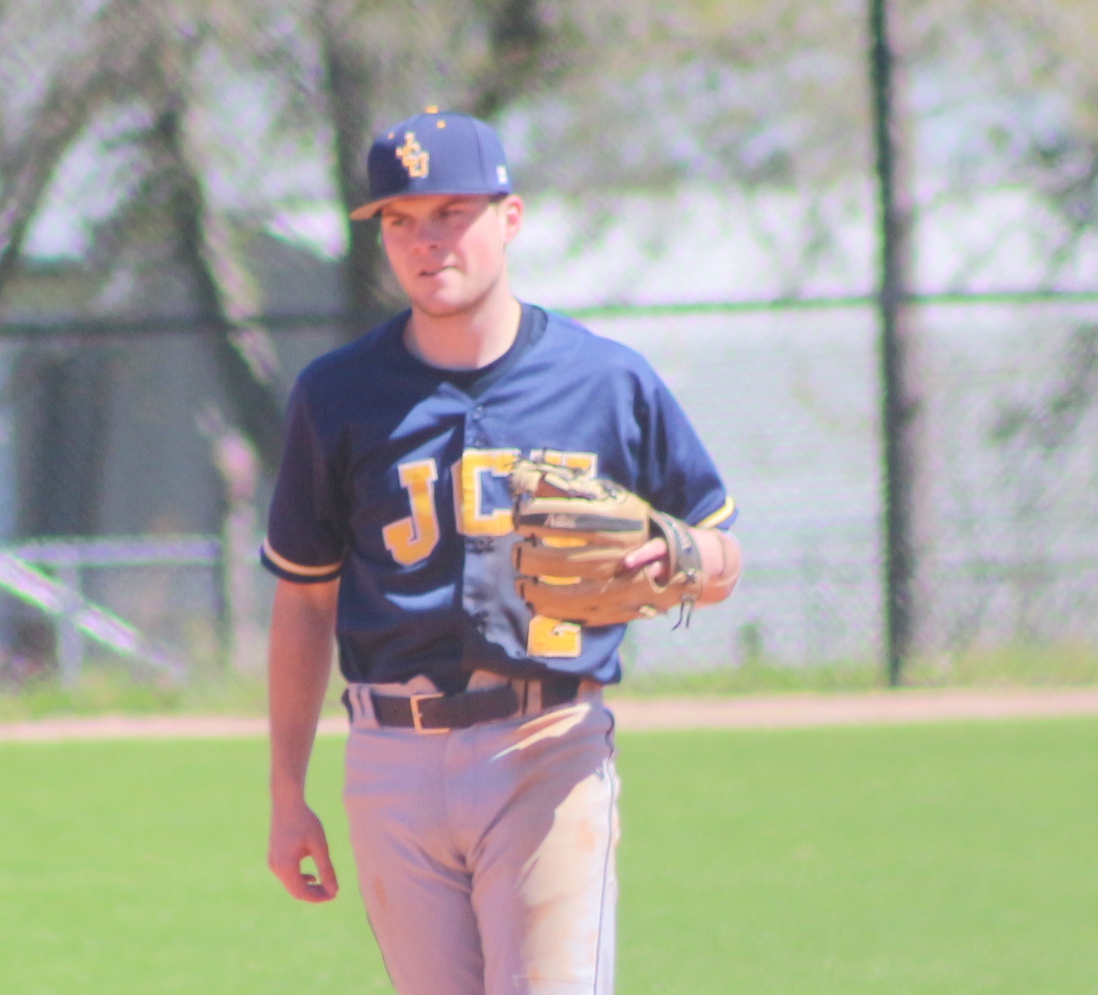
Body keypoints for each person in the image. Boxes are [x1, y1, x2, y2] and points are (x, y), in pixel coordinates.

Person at [262, 107, 742, 995]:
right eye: (400, 220)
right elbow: (302, 600)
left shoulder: (604, 379)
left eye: (449, 212)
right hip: (389, 761)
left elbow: (721, 546)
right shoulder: (337, 395)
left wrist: (684, 558)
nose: (424, 240)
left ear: (508, 219)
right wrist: (287, 795)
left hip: (547, 745)